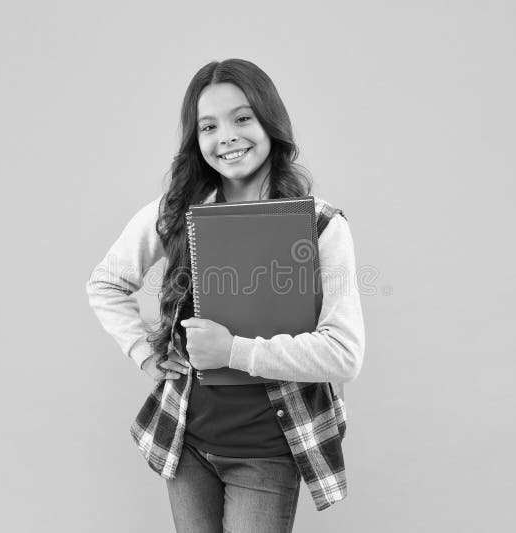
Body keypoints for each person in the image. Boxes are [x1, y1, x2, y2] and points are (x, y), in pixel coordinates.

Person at [86, 58, 365, 533]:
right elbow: (105, 283)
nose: (227, 137)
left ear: (269, 122)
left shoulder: (319, 225)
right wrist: (144, 355)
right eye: (208, 126)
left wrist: (233, 351)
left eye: (242, 118)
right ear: (196, 140)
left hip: (267, 452)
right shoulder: (177, 212)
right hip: (187, 442)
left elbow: (344, 355)